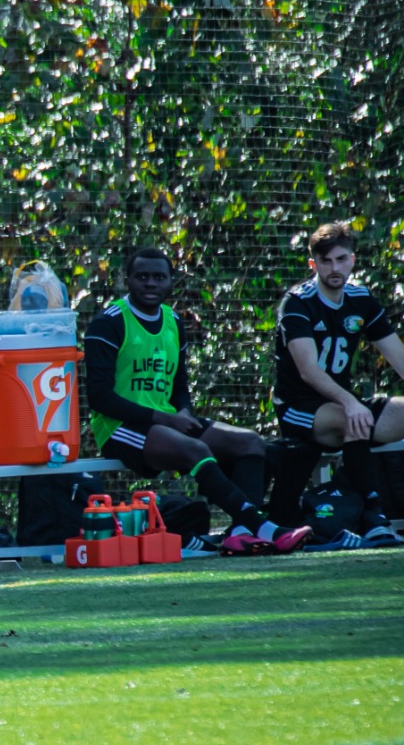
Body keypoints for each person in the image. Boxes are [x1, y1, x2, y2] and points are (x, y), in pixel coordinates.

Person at [85, 247, 311, 554]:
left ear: (170, 282)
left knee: (250, 442)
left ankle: (241, 533)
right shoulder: (108, 322)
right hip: (119, 428)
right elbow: (99, 398)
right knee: (196, 449)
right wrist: (169, 420)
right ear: (127, 280)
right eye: (142, 277)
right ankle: (266, 528)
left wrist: (183, 413)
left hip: (165, 420)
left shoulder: (173, 321)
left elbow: (179, 386)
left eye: (159, 277)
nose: (150, 283)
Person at [264, 222, 404, 546]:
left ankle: (348, 491)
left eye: (341, 259)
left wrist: (351, 403)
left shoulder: (360, 299)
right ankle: (373, 515)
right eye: (325, 261)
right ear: (313, 264)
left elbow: (397, 356)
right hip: (300, 409)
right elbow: (309, 371)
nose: (334, 267)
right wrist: (351, 402)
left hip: (343, 403)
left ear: (352, 260)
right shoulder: (297, 303)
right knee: (352, 418)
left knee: (358, 417)